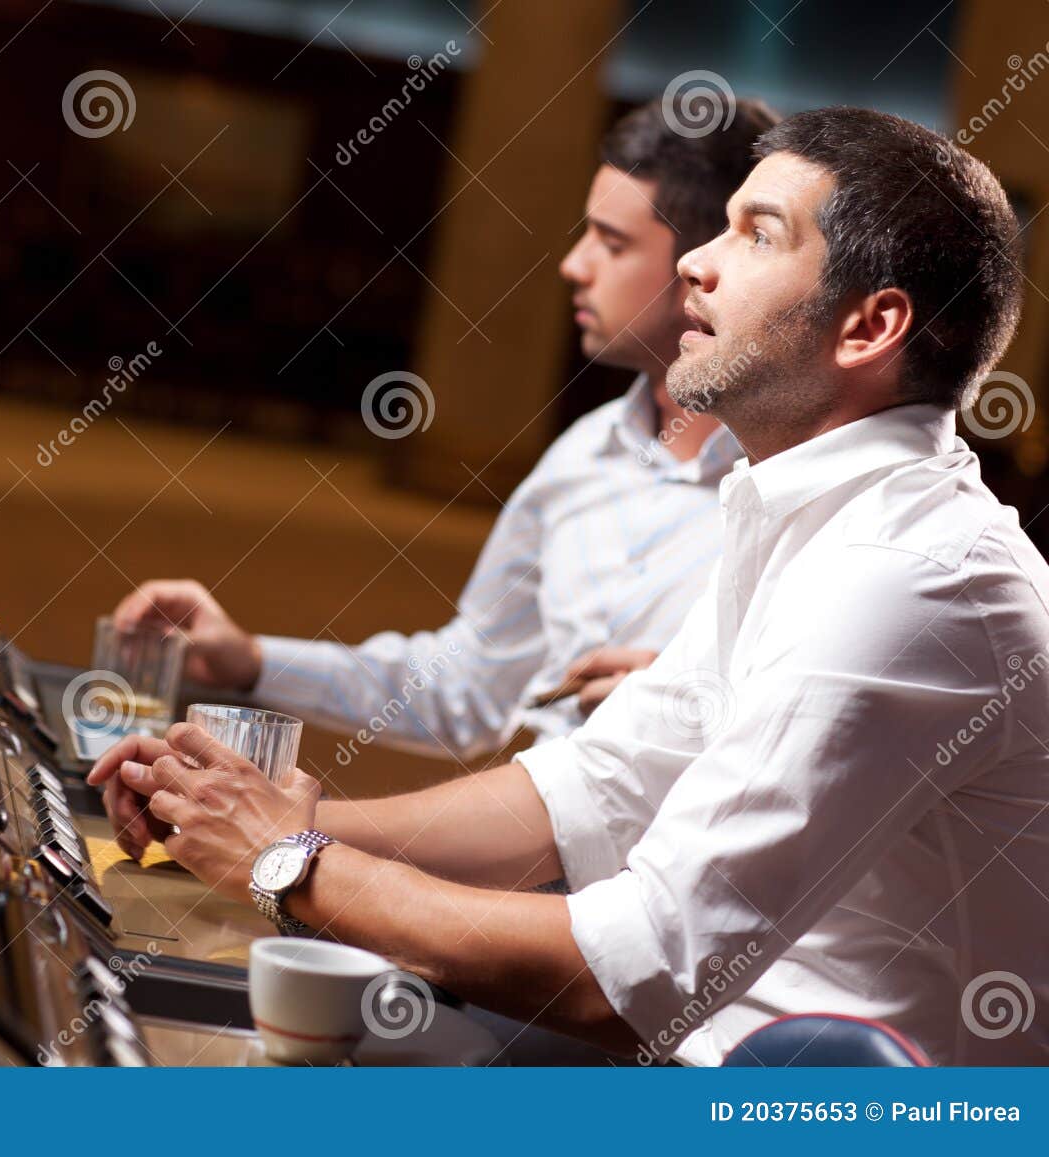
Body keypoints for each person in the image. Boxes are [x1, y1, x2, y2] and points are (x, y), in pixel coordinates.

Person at [91, 107, 1049, 1065]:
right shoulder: (798, 518)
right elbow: (592, 789)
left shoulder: (910, 577)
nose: (695, 264)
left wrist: (289, 862)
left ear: (870, 326)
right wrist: (268, 817)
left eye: (758, 234)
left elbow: (630, 970)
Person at [103, 99, 778, 805]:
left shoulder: (794, 482)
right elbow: (468, 687)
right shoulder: (582, 459)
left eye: (611, 243)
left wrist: (695, 711)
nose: (572, 264)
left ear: (708, 262)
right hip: (538, 862)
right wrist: (250, 661)